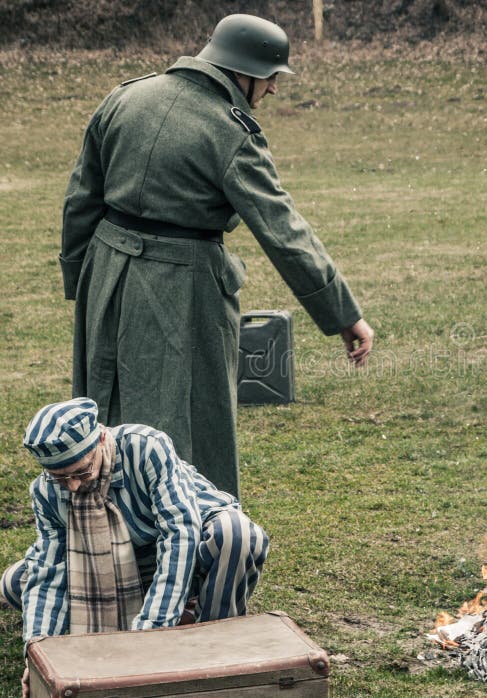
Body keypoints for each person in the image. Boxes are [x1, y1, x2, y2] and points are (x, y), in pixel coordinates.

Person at [59, 14, 375, 497]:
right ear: (243, 71)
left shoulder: (125, 96)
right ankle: (194, 534)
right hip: (181, 286)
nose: (272, 91)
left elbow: (81, 199)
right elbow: (283, 231)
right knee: (189, 419)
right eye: (270, 78)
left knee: (105, 404)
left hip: (105, 272)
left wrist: (81, 281)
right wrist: (344, 314)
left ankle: (105, 523)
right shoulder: (230, 133)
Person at [0, 398, 269, 697]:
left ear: (102, 439)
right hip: (120, 569)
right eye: (61, 478)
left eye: (81, 472)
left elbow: (180, 533)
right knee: (16, 583)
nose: (73, 486)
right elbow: (49, 572)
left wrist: (148, 636)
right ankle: (173, 613)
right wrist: (37, 656)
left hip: (191, 546)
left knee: (237, 535)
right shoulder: (46, 492)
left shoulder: (146, 447)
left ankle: (209, 643)